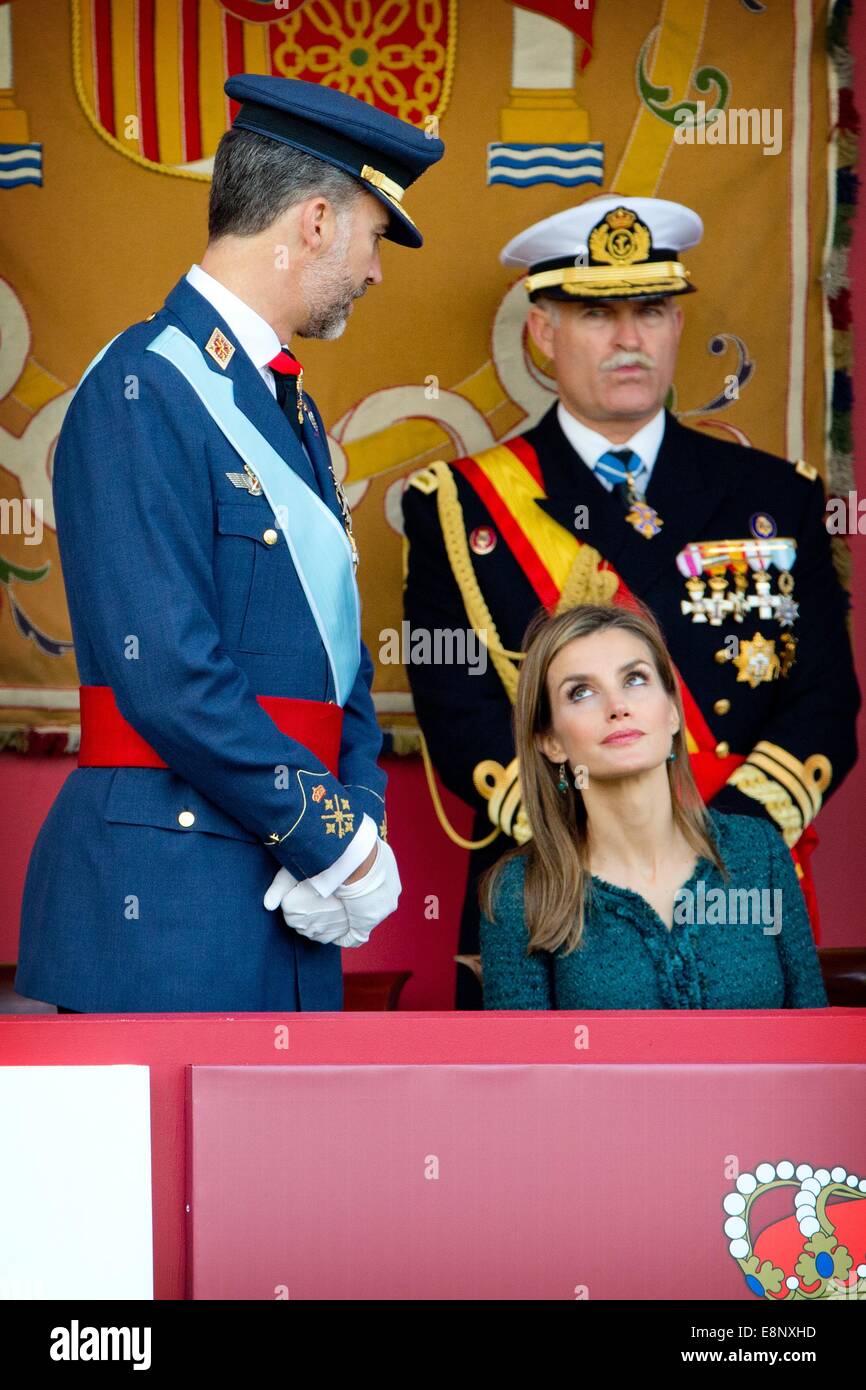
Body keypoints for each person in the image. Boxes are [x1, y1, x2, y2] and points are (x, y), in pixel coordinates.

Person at [16, 74, 444, 1013]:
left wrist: (357, 825)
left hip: (285, 887)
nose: (376, 271)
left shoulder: (286, 401)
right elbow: (168, 670)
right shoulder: (144, 383)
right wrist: (333, 836)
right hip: (166, 893)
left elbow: (338, 663)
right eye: (377, 236)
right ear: (319, 221)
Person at [402, 194, 859, 1008]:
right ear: (542, 333)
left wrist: (722, 843)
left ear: (677, 326)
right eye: (596, 314)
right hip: (556, 888)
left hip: (740, 873)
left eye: (651, 310)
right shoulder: (460, 508)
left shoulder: (775, 495)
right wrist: (592, 839)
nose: (628, 338)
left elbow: (823, 696)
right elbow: (459, 705)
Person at [479, 604, 829, 1010]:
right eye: (581, 692)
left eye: (635, 679)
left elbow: (812, 1037)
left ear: (673, 713)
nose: (617, 706)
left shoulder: (759, 853)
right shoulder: (519, 890)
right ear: (550, 741)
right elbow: (526, 1070)